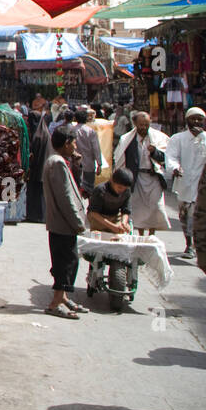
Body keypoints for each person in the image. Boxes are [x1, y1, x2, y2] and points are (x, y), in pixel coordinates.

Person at [43, 123, 89, 319]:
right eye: (74, 144)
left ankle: (62, 298)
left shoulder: (59, 161)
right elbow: (65, 198)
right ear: (67, 143)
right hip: (63, 224)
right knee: (64, 263)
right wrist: (78, 222)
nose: (75, 148)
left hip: (63, 224)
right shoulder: (57, 163)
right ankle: (55, 302)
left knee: (67, 261)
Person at [113, 111, 170, 236]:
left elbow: (166, 157)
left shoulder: (159, 138)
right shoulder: (127, 140)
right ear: (135, 123)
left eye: (146, 125)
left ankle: (152, 235)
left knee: (155, 206)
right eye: (141, 125)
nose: (144, 128)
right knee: (138, 209)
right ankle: (141, 235)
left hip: (153, 177)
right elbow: (120, 159)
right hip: (136, 178)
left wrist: (154, 151)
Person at [167, 107, 206, 257]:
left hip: (203, 185)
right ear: (187, 120)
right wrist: (175, 168)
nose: (197, 122)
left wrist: (203, 139)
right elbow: (171, 156)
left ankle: (201, 247)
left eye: (200, 119)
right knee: (185, 216)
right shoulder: (178, 138)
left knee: (202, 216)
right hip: (184, 183)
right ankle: (189, 244)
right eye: (194, 118)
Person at [25, 106, 52, 223]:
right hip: (43, 167)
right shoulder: (44, 131)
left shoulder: (38, 135)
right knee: (39, 191)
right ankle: (40, 215)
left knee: (36, 191)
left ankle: (35, 215)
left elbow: (34, 152)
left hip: (38, 167)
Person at [87, 167, 134, 235]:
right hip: (98, 218)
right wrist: (112, 226)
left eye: (125, 188)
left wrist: (123, 223)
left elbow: (125, 211)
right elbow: (93, 213)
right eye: (119, 187)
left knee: (118, 237)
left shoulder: (127, 191)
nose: (122, 190)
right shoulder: (100, 190)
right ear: (112, 181)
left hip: (114, 216)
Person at [73, 107, 102, 191]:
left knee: (76, 188)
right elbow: (96, 148)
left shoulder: (72, 130)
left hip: (76, 165)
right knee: (89, 189)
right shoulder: (90, 131)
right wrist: (99, 164)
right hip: (89, 165)